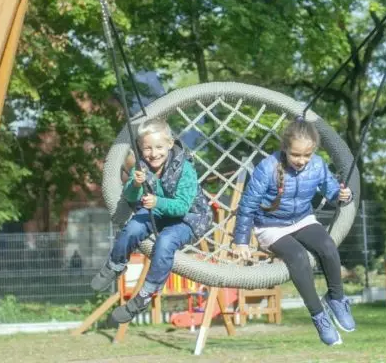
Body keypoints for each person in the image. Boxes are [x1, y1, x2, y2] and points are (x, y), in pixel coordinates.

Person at [233, 118, 355, 346]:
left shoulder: (317, 165)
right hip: (270, 226)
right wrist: (241, 241)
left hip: (302, 219)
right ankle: (319, 315)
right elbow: (247, 205)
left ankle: (336, 298)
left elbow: (330, 189)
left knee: (327, 246)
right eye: (295, 155)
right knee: (298, 257)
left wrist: (341, 195)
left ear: (313, 152)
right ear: (285, 149)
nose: (301, 161)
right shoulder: (267, 167)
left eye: (306, 155)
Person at [91, 118, 212, 323]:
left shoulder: (186, 170)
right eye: (147, 148)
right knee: (132, 228)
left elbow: (182, 206)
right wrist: (136, 185)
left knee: (164, 243)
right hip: (158, 212)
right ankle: (116, 264)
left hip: (189, 218)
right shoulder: (141, 166)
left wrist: (157, 202)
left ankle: (144, 296)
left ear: (170, 144)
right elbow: (130, 197)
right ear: (140, 148)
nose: (153, 154)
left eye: (158, 147)